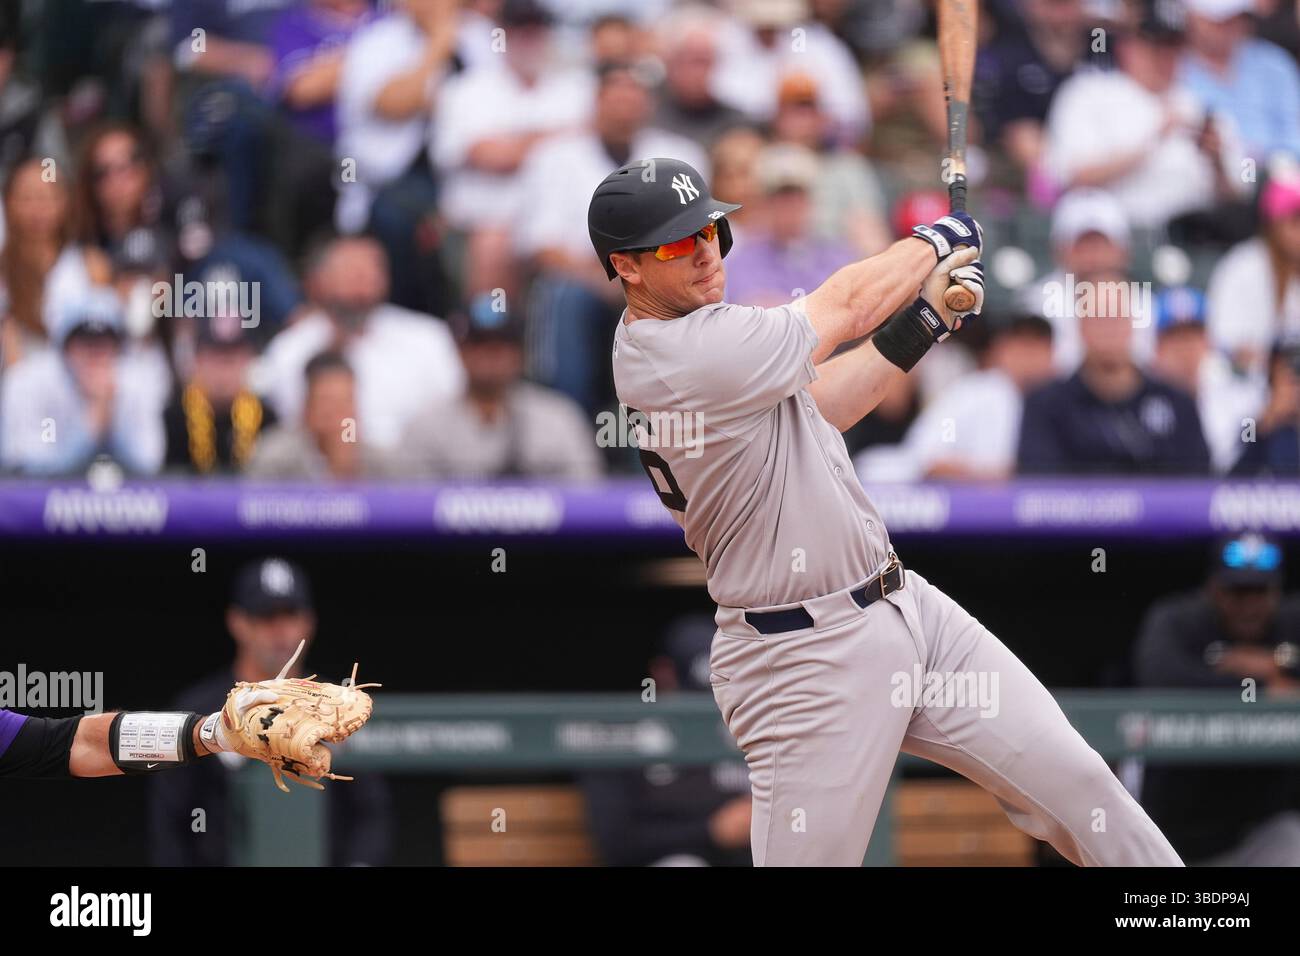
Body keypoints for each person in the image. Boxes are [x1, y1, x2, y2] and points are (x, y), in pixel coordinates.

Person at [591, 156, 1181, 866]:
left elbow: (817, 407)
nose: (705, 252)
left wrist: (925, 317)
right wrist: (938, 239)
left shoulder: (712, 337)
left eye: (710, 230)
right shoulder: (671, 353)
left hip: (907, 609)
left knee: (1085, 788)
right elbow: (845, 307)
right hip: (801, 655)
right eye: (676, 244)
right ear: (626, 266)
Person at [149, 558, 392, 866]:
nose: (280, 631)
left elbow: (370, 811)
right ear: (238, 622)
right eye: (266, 617)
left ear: (308, 622)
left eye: (289, 616)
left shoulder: (337, 707)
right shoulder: (200, 707)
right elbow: (171, 820)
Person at [516, 59, 707, 416]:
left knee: (683, 301)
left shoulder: (681, 155)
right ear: (597, 99)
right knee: (564, 296)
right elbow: (541, 245)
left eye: (635, 94)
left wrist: (642, 276)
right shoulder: (555, 156)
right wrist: (605, 275)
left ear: (649, 101)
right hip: (582, 277)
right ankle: (570, 421)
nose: (625, 103)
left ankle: (662, 439)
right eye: (616, 93)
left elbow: (696, 234)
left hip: (659, 275)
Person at [1133, 533, 1300, 865]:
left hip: (1258, 833)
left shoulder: (1290, 621)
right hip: (1172, 835)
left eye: (1259, 592)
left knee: (1291, 837)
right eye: (1237, 592)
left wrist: (1277, 663)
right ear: (1214, 590)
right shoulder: (1179, 619)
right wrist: (1261, 687)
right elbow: (1161, 678)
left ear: (1276, 593)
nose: (1249, 606)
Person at [1042, 0, 1245, 232]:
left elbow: (1238, 194)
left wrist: (1215, 161)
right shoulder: (1089, 91)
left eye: (1173, 46)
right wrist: (1153, 140)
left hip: (1195, 234)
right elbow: (1073, 178)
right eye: (1155, 45)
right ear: (1126, 46)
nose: (1165, 56)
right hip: (1117, 233)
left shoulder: (1199, 106)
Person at [253, 234, 463, 451]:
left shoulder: (428, 338)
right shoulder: (290, 349)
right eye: (350, 273)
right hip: (321, 474)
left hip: (416, 472)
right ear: (320, 280)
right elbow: (287, 423)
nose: (361, 285)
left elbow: (455, 413)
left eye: (370, 272)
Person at [579, 615, 752, 867]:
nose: (711, 707)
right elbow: (617, 843)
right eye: (695, 695)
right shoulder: (626, 734)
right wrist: (711, 830)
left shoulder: (747, 726)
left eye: (716, 694)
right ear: (663, 673)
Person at [1017, 271, 1211, 475]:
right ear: (1080, 325)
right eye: (1097, 316)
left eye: (1115, 316)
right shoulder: (1046, 406)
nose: (1108, 329)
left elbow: (1196, 488)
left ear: (1132, 322)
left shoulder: (1177, 404)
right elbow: (1040, 490)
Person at [398, 298, 602, 479]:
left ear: (519, 353)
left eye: (500, 345)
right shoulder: (426, 425)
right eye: (478, 344)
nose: (489, 355)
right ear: (460, 352)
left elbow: (586, 501)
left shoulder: (558, 418)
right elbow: (410, 508)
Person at [860, 313, 1056, 481]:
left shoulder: (1053, 400)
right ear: (1002, 349)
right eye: (1023, 347)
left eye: (1039, 348)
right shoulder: (982, 390)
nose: (1030, 359)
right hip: (906, 490)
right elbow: (932, 463)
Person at [0, 289, 166, 476]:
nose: (95, 354)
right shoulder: (30, 382)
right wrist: (90, 430)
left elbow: (149, 461)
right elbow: (23, 460)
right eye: (85, 342)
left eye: (103, 343)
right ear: (65, 347)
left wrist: (109, 415)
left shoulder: (135, 382)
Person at [0, 156, 112, 367]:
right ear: (8, 202)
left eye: (48, 197)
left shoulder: (90, 265)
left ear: (65, 201)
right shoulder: (4, 272)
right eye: (27, 198)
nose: (38, 208)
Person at [722, 143, 858, 308]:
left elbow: (853, 307)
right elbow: (750, 309)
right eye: (782, 198)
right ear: (766, 203)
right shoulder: (744, 259)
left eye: (798, 196)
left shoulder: (837, 255)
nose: (791, 206)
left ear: (810, 201)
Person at [1178, 0, 1300, 164]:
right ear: (1192, 17)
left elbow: (1294, 132)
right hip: (1203, 176)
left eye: (1235, 18)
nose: (1227, 27)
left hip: (1272, 173)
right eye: (1217, 21)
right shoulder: (1173, 68)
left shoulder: (1274, 64)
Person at [1205, 168, 1300, 375]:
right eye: (1295, 220)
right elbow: (1229, 346)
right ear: (1274, 224)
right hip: (1246, 384)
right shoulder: (1242, 267)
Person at [248, 350, 397, 480]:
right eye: (328, 403)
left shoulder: (377, 461)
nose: (338, 415)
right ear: (307, 407)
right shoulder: (276, 457)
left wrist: (347, 468)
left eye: (345, 402)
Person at [162, 313, 276, 474]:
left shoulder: (267, 420)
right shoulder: (174, 418)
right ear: (197, 361)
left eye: (232, 358)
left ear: (249, 360)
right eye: (215, 357)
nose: (224, 370)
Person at [650, 5, 748, 149]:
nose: (703, 72)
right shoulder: (648, 112)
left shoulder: (735, 122)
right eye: (696, 61)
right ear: (671, 61)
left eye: (709, 61)